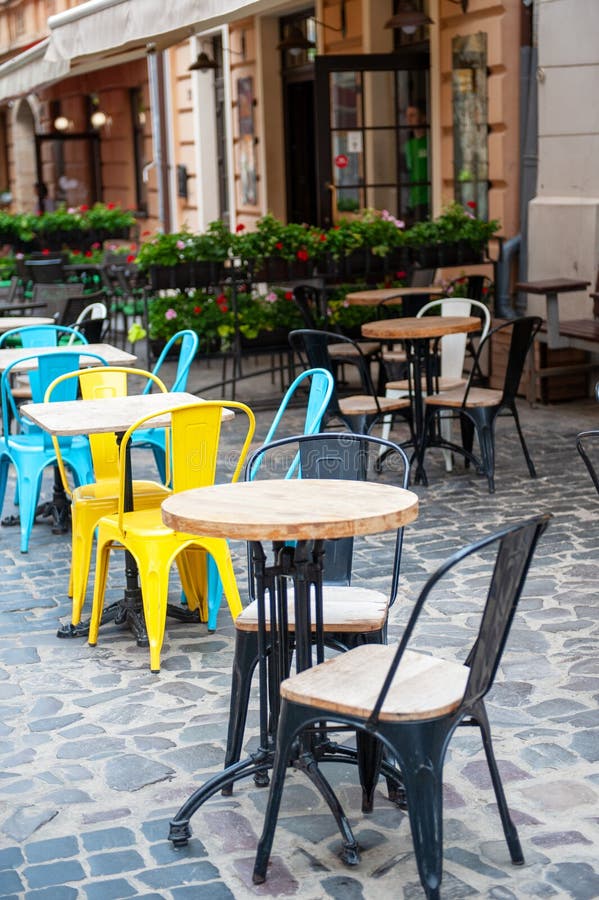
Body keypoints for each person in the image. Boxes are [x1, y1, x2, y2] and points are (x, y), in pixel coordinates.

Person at [404, 105, 430, 222]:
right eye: (407, 116)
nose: (409, 119)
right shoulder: (408, 145)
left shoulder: (430, 142)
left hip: (428, 198)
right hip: (413, 200)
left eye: (413, 115)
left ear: (423, 117)